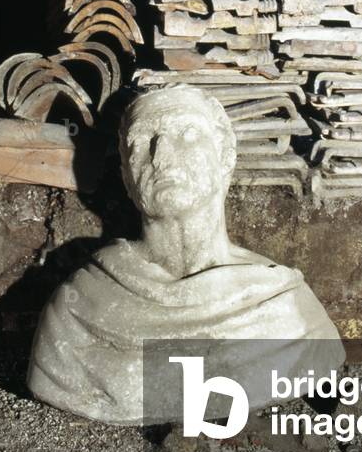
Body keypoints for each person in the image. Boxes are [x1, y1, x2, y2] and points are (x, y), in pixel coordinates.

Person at [27, 85, 344, 424]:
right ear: (126, 176)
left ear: (225, 156)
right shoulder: (76, 311)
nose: (160, 156)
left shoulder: (288, 311)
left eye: (187, 133)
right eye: (141, 141)